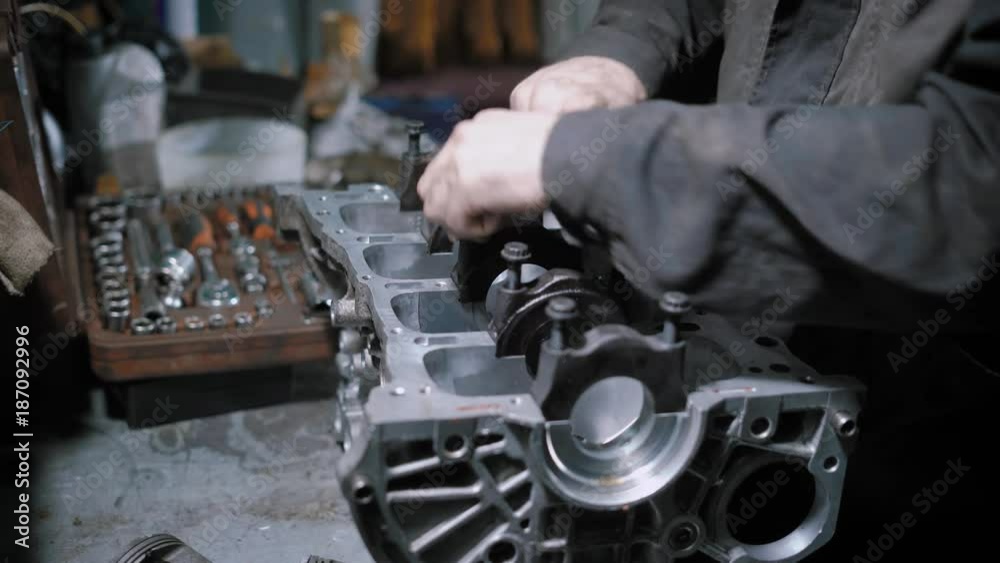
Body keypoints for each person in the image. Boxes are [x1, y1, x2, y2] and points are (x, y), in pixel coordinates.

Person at [418, 0, 1000, 560]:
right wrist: (622, 49)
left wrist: (600, 165)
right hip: (726, 369)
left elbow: (977, 184)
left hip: (932, 425)